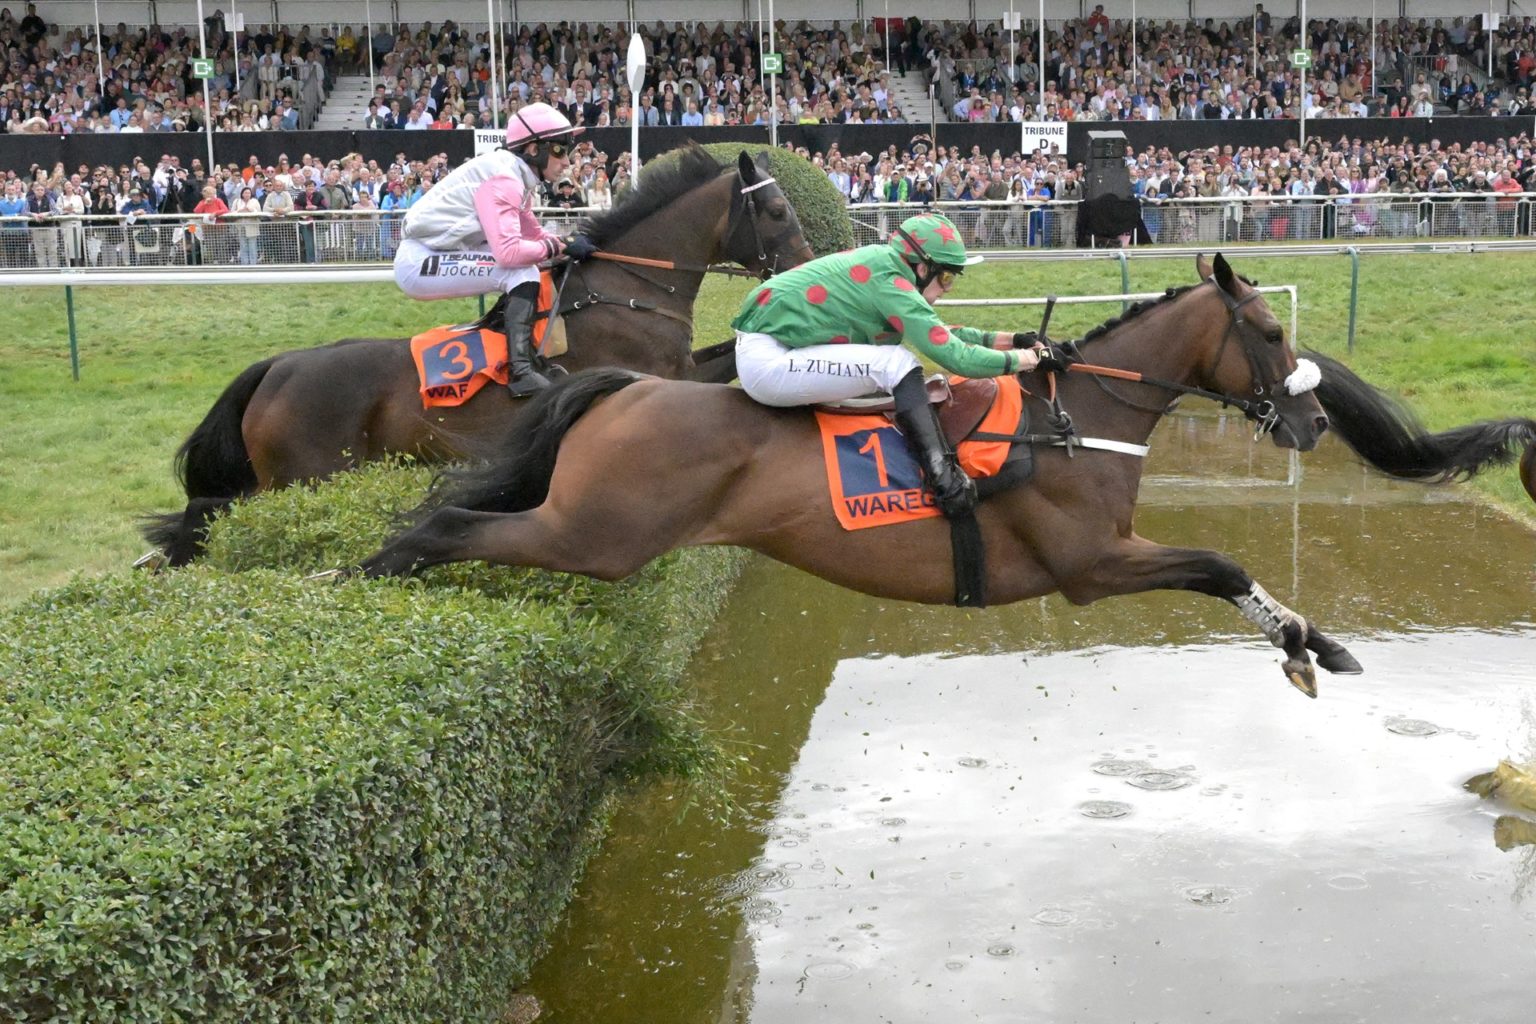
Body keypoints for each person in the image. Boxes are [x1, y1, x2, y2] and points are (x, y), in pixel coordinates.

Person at [731, 212, 1058, 518]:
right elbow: (955, 357)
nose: (947, 288)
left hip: (769, 345)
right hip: (768, 363)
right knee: (897, 363)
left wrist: (1013, 339)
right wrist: (1027, 360)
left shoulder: (889, 267)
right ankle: (942, 478)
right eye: (945, 277)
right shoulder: (891, 284)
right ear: (921, 266)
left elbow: (939, 333)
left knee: (893, 361)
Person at [394, 101, 597, 396]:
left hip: (435, 252)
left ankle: (524, 355)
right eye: (559, 149)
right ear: (532, 149)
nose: (567, 161)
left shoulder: (516, 176)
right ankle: (521, 372)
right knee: (521, 272)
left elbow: (535, 235)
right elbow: (509, 253)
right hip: (420, 261)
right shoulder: (505, 180)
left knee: (535, 266)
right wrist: (559, 245)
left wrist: (567, 244)